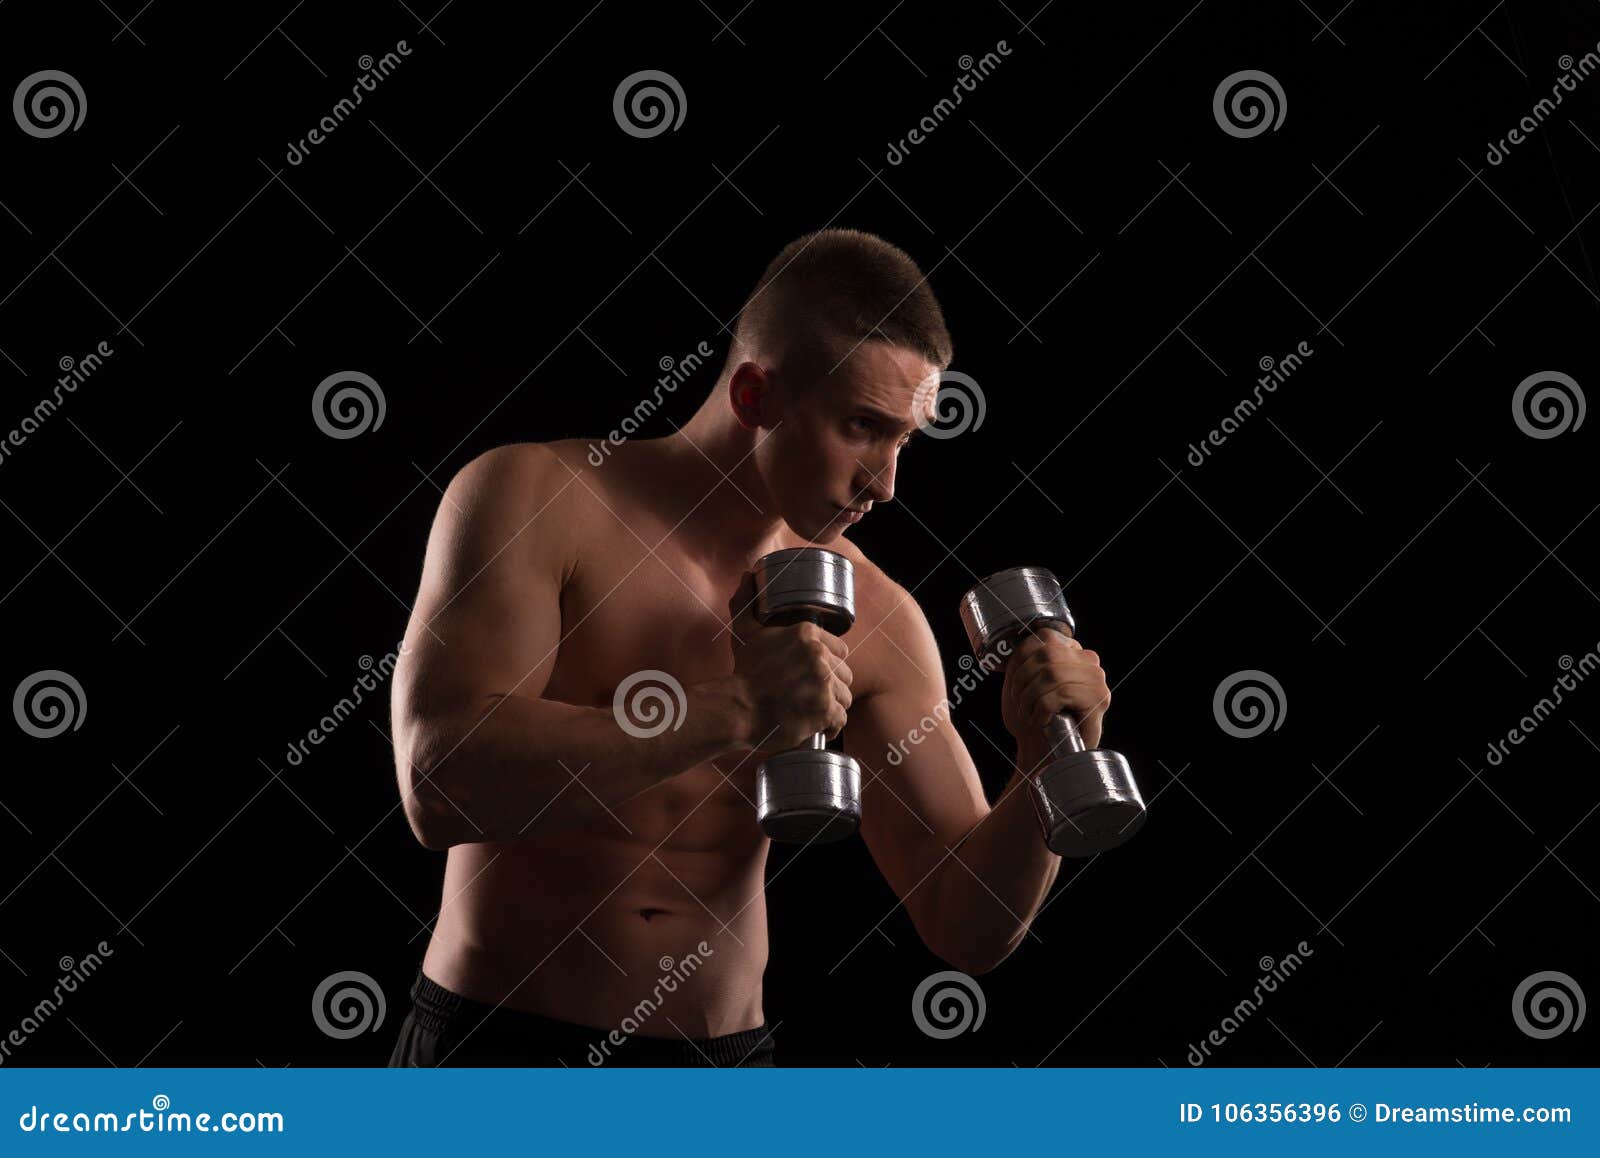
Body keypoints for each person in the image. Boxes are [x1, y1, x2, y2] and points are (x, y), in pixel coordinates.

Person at [385, 228, 1112, 1067]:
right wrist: (732, 712)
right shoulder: (538, 499)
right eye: (861, 427)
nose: (885, 483)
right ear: (755, 396)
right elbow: (439, 786)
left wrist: (1041, 772)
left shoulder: (878, 615)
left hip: (721, 1071)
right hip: (494, 1051)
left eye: (904, 439)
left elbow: (968, 922)